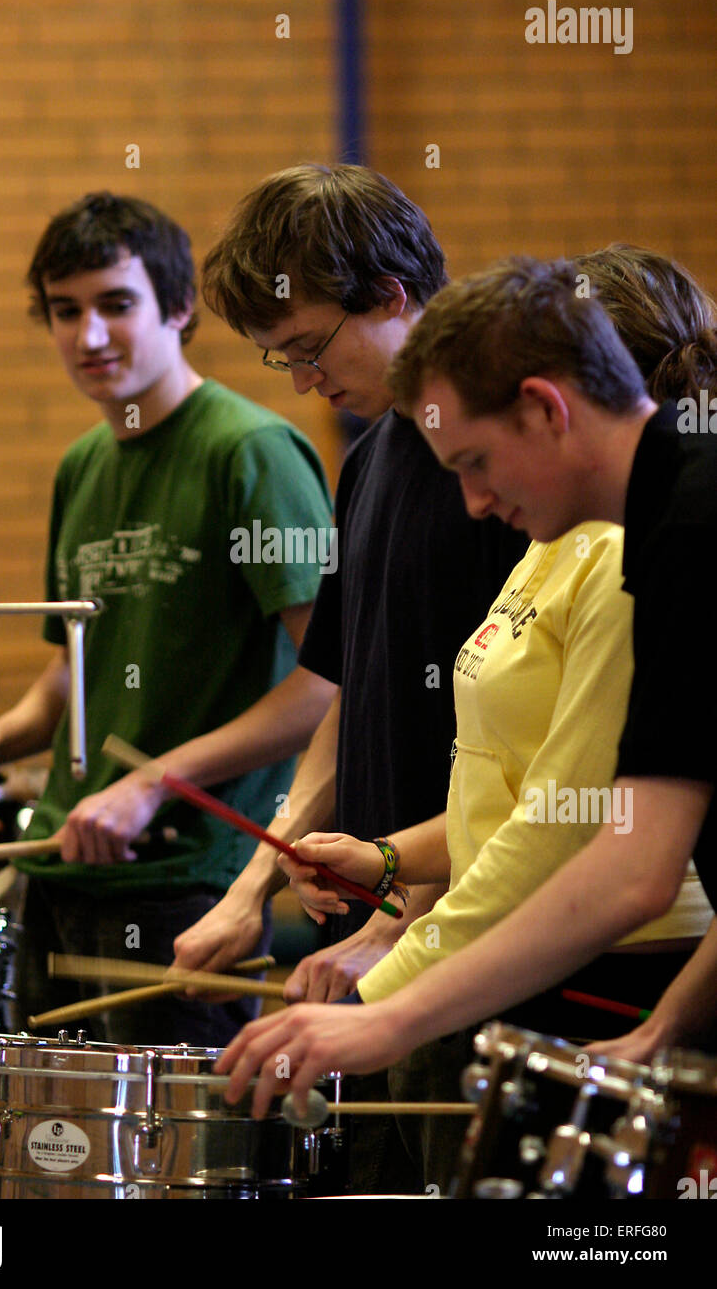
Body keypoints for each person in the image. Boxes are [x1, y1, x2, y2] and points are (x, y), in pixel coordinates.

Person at [216, 252, 717, 1122]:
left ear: (545, 409)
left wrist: (395, 1009)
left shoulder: (691, 527)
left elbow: (631, 872)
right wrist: (669, 1025)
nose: (476, 502)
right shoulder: (661, 519)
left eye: (477, 462)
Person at [0, 190, 335, 1046]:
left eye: (116, 305)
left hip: (192, 881)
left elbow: (327, 683)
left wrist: (154, 781)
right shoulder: (82, 464)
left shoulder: (250, 453)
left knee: (171, 1176)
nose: (88, 337)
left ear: (180, 307)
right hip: (64, 869)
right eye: (64, 311)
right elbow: (71, 668)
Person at [193, 163, 527, 1189]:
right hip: (378, 946)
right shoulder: (368, 458)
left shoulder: (506, 476)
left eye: (307, 349)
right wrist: (261, 876)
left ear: (389, 295)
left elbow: (534, 761)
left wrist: (404, 914)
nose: (300, 381)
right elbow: (341, 687)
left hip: (472, 946)